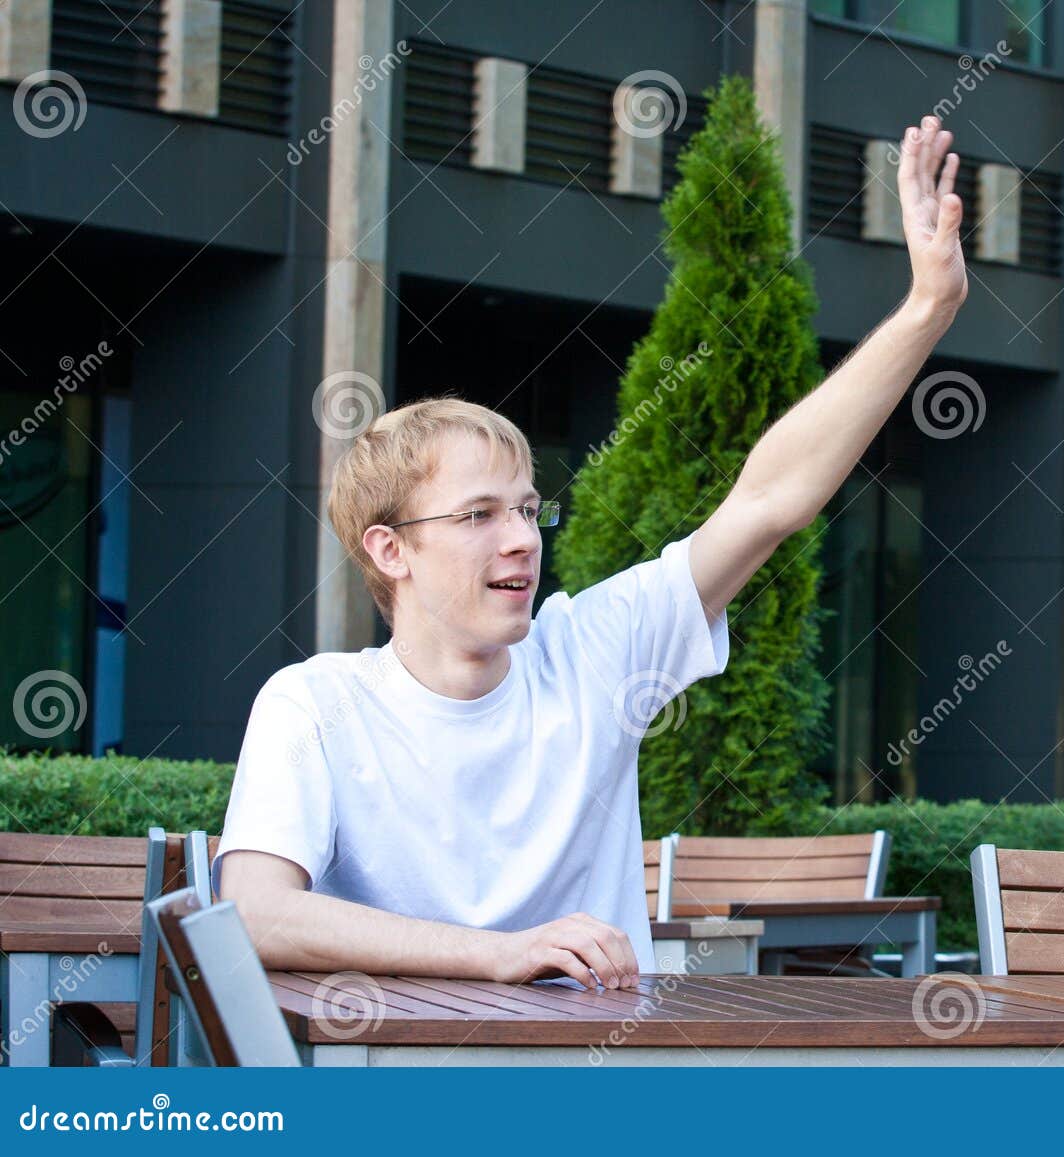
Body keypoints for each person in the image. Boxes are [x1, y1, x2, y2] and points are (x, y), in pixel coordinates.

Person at [215, 113, 969, 991]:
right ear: (391, 549)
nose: (522, 538)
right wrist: (496, 953)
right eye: (478, 516)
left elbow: (769, 501)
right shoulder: (314, 703)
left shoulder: (591, 652)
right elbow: (257, 911)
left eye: (529, 509)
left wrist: (927, 309)